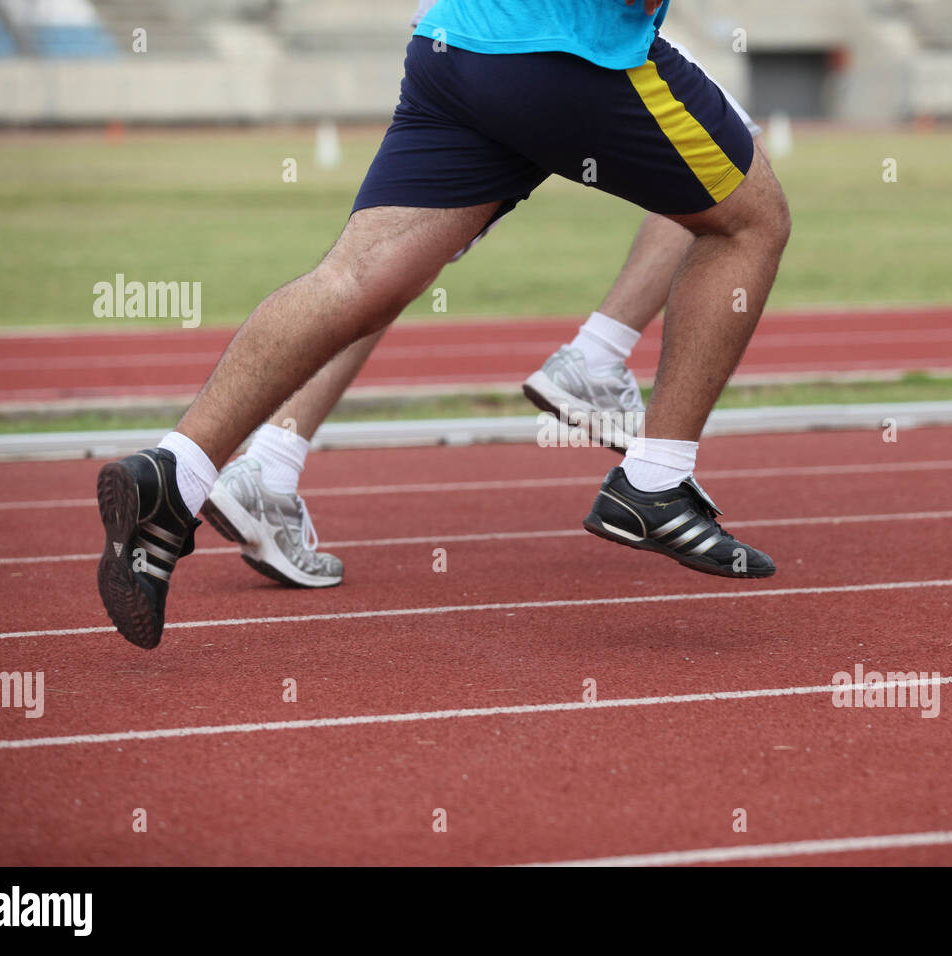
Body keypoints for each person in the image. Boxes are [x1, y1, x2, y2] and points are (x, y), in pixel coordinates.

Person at [95, 0, 791, 649]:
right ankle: (653, 475)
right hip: (565, 53)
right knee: (751, 222)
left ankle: (177, 471)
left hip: (452, 45)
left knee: (354, 278)